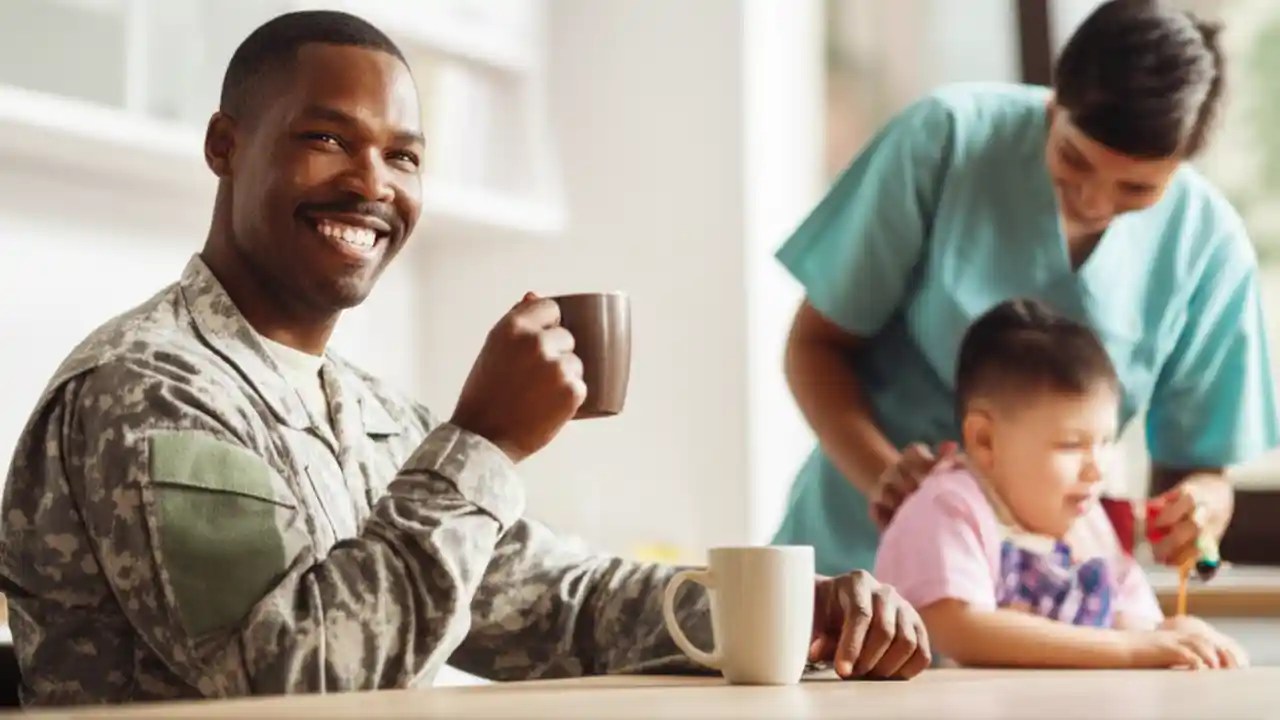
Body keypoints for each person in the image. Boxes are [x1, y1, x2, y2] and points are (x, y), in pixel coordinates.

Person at [0, 11, 929, 707]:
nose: (371, 183)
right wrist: (483, 440)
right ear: (224, 147)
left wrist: (785, 615)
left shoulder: (369, 413)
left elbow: (558, 605)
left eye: (403, 157)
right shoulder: (149, 388)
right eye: (327, 139)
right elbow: (292, 678)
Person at [771, 0, 1280, 576]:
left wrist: (1200, 509)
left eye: (1136, 189)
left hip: (1040, 593)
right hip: (857, 555)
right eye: (1073, 159)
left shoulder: (1207, 247)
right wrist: (888, 479)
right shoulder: (944, 141)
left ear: (1181, 164)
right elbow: (815, 347)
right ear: (1054, 102)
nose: (1093, 201)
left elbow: (1200, 467)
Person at [874, 299, 1248, 669]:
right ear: (985, 440)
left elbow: (1135, 625)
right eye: (1071, 445)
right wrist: (1130, 650)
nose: (1096, 470)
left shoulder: (1090, 524)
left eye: (1105, 443)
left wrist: (1175, 634)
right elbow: (960, 627)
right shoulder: (948, 508)